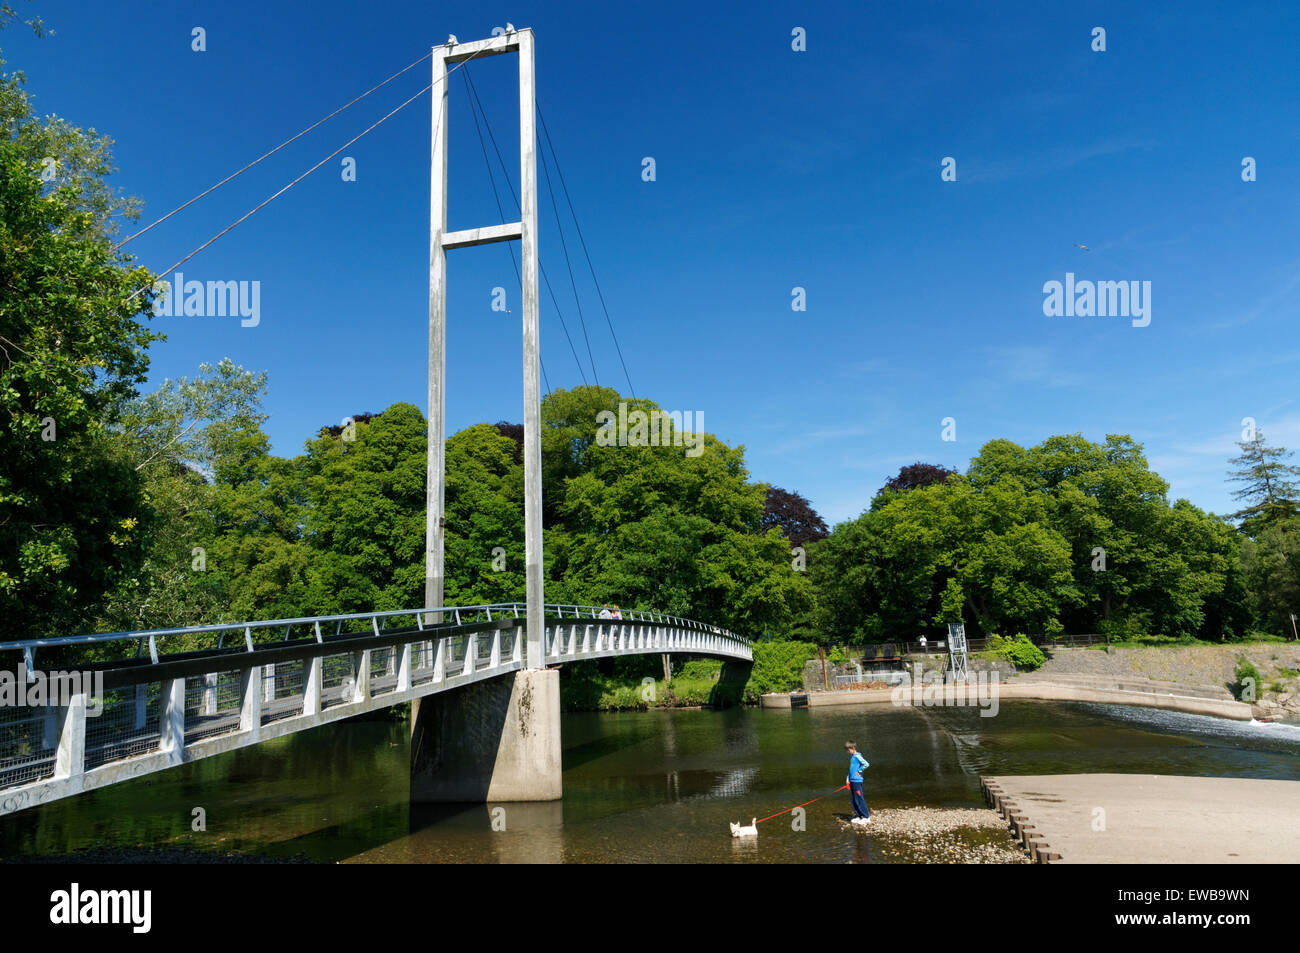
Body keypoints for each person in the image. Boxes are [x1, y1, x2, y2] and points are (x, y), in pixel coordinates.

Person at [845, 741, 870, 824]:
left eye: (848, 750)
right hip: (852, 781)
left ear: (853, 748)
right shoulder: (852, 757)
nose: (847, 752)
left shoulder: (857, 756)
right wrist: (848, 778)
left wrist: (859, 770)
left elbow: (866, 764)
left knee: (859, 798)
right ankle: (858, 815)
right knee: (853, 799)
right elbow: (851, 769)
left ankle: (866, 817)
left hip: (857, 781)